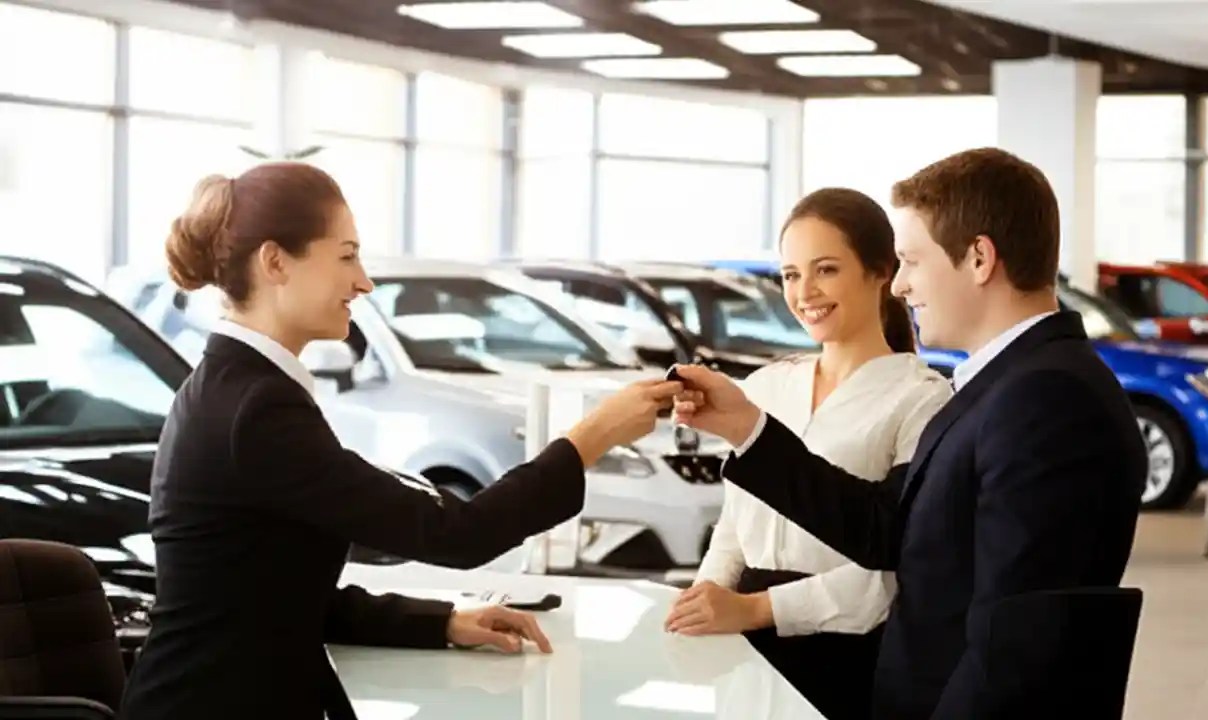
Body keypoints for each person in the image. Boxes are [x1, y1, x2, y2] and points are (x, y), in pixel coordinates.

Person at [118, 162, 683, 720]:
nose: (363, 282)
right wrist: (594, 436)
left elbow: (280, 597)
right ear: (275, 262)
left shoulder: (235, 388)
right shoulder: (256, 409)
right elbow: (460, 534)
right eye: (346, 256)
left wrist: (444, 622)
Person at [670, 148, 1147, 720]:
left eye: (912, 261)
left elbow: (1013, 650)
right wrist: (747, 428)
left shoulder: (1047, 398)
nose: (900, 286)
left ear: (979, 258)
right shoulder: (1001, 387)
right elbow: (888, 530)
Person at [662, 188, 950, 719]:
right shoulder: (765, 387)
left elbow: (894, 573)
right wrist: (701, 604)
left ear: (881, 271)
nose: (804, 292)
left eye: (826, 270)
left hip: (844, 658)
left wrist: (755, 609)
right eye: (791, 275)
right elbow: (734, 530)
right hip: (743, 652)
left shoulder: (922, 397)